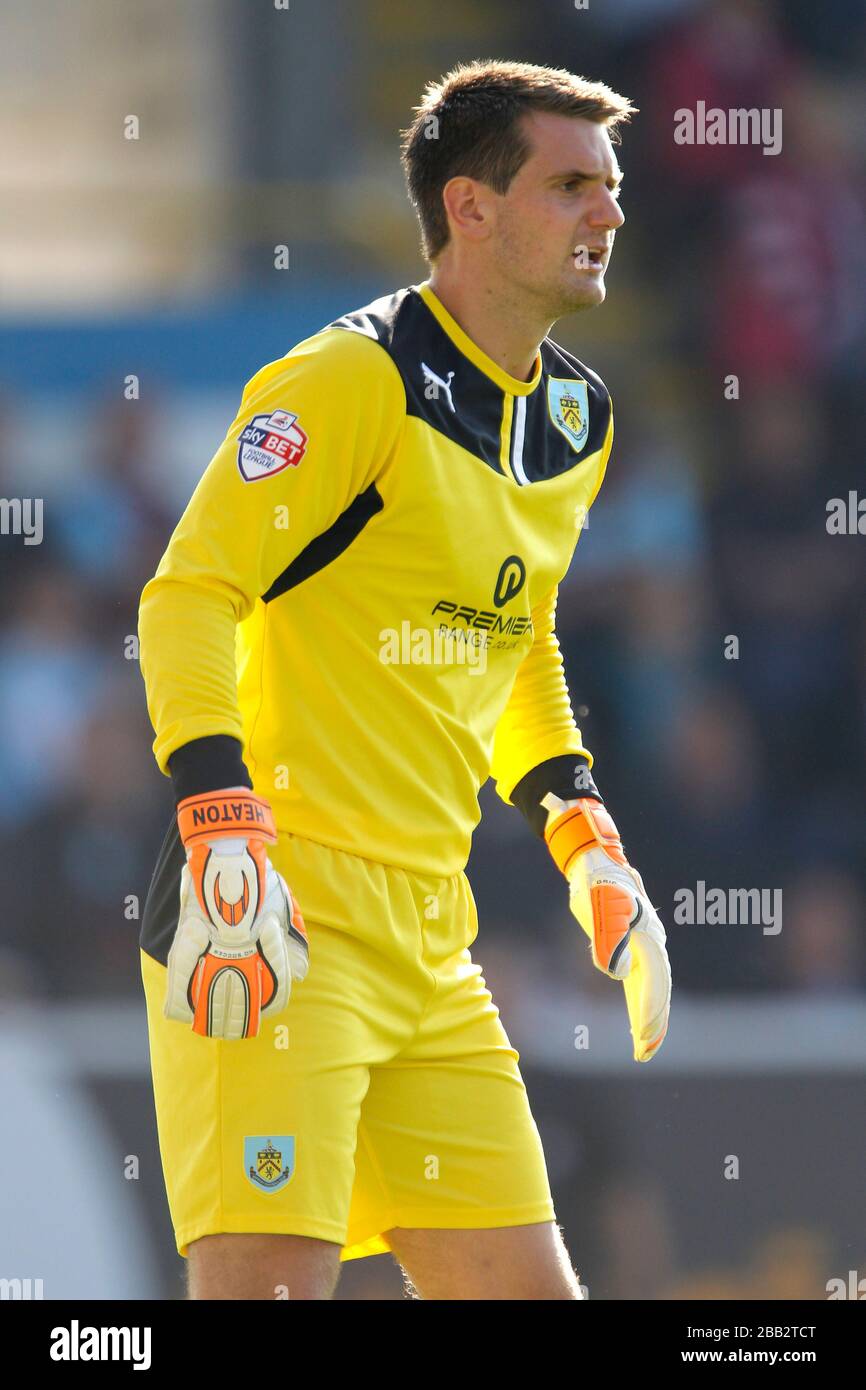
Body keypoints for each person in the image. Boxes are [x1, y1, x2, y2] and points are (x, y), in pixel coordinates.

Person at [137, 58, 670, 1302]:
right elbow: (188, 595)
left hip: (434, 940)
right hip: (272, 914)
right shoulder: (347, 382)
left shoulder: (579, 421)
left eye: (612, 187)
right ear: (469, 209)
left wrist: (581, 830)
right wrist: (219, 814)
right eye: (571, 186)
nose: (610, 214)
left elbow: (510, 630)